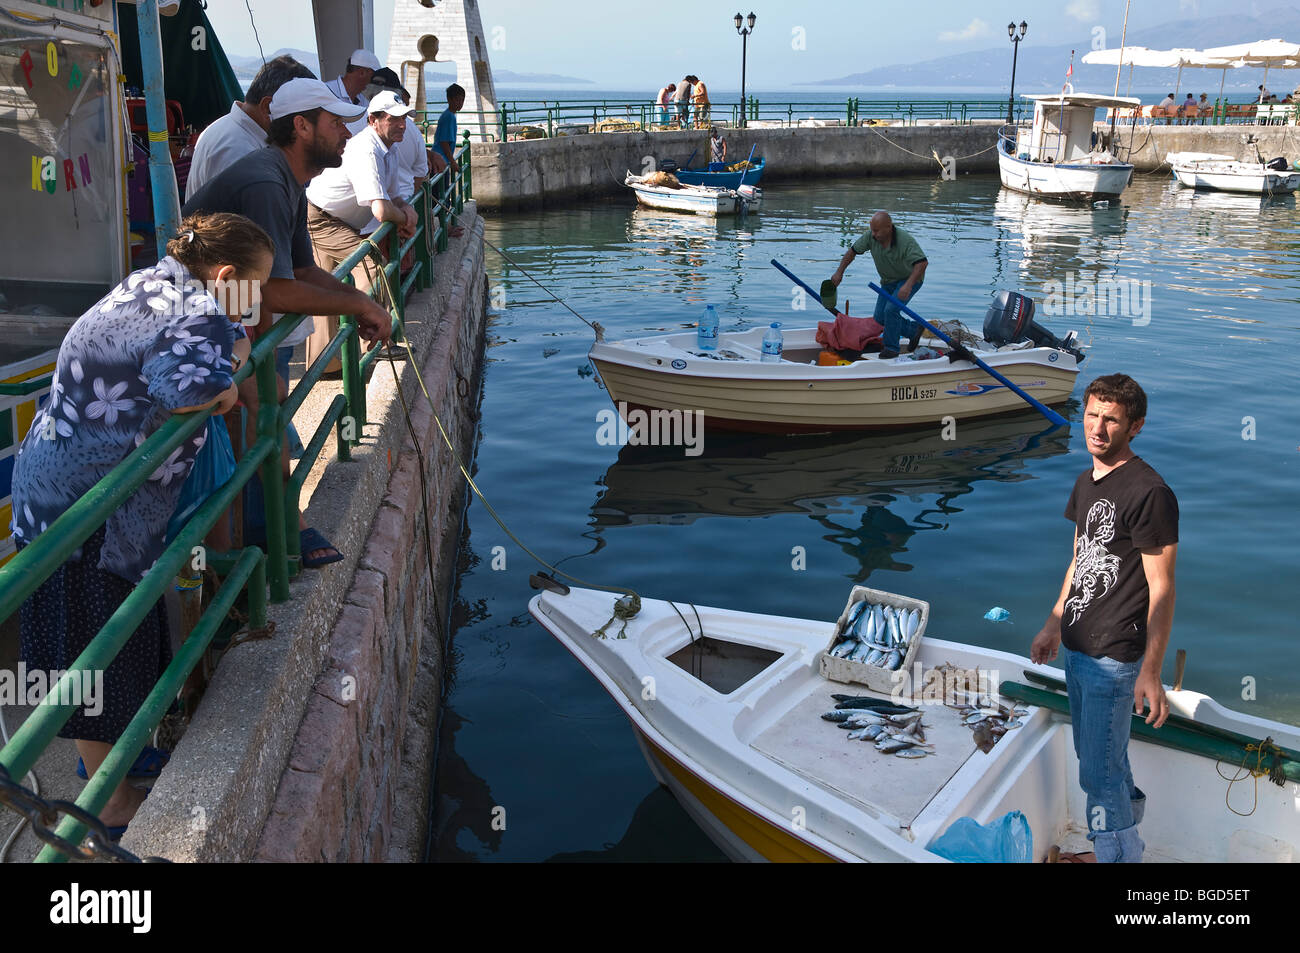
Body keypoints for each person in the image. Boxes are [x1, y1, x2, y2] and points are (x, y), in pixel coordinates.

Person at [10, 212, 272, 838]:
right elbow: (189, 391)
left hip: (57, 485)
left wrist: (228, 351)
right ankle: (106, 805)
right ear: (228, 274)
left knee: (100, 635)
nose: (257, 302)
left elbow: (194, 352)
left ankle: (106, 766)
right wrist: (229, 387)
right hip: (88, 506)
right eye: (254, 286)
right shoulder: (194, 312)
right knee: (90, 645)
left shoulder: (157, 282)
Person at [183, 77, 393, 567]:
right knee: (240, 428)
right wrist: (360, 307)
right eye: (336, 123)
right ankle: (247, 557)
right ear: (301, 126)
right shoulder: (265, 181)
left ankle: (268, 533)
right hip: (196, 325)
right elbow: (273, 288)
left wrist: (363, 300)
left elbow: (302, 270)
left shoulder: (288, 179)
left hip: (233, 317)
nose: (346, 133)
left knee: (260, 412)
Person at [1031, 374, 1177, 864]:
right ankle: (1119, 851)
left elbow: (1162, 587)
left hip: (1114, 659)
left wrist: (1152, 673)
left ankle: (1114, 859)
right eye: (1092, 414)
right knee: (1104, 765)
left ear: (1135, 426)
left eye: (1111, 419)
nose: (1097, 427)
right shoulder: (1087, 480)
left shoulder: (1150, 492)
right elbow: (1081, 557)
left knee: (1099, 775)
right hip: (1076, 649)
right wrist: (1054, 623)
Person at [304, 90, 419, 371]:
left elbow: (393, 197)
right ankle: (380, 343)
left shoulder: (387, 149)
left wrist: (407, 210)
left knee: (323, 286)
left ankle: (326, 366)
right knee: (371, 266)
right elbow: (381, 210)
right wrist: (404, 217)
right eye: (395, 119)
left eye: (404, 118)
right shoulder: (367, 149)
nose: (403, 124)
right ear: (373, 120)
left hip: (332, 217)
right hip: (320, 217)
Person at [186, 55, 315, 198]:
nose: (303, 125)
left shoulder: (228, 129)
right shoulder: (239, 150)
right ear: (267, 107)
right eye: (302, 115)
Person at [828, 211, 928, 359]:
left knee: (891, 310)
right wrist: (839, 272)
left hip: (909, 278)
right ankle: (913, 330)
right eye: (872, 230)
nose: (873, 234)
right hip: (888, 281)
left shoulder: (904, 240)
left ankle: (891, 349)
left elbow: (922, 263)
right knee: (880, 317)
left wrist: (907, 285)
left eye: (876, 230)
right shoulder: (871, 237)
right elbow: (852, 252)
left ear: (888, 228)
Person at [434, 83, 467, 238]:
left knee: (444, 195)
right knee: (442, 197)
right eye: (457, 100)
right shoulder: (448, 117)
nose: (459, 103)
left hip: (442, 161)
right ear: (449, 99)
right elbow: (444, 142)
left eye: (462, 100)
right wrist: (452, 161)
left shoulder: (450, 116)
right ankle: (445, 230)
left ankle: (446, 228)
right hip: (440, 161)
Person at [326, 48, 381, 134]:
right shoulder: (326, 91)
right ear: (362, 73)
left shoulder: (364, 101)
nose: (373, 82)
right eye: (372, 76)